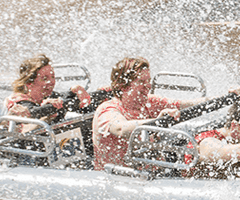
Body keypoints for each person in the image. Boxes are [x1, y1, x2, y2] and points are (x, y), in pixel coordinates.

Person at [92, 57, 229, 170]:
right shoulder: (107, 110)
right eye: (141, 82)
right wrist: (157, 121)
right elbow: (121, 128)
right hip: (119, 177)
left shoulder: (148, 102)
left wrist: (227, 97)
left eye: (148, 81)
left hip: (153, 169)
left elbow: (190, 103)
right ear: (122, 85)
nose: (148, 86)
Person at [5, 54, 87, 125]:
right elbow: (31, 117)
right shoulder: (20, 102)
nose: (51, 82)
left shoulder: (44, 95)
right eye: (44, 78)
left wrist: (74, 90)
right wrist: (48, 108)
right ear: (29, 82)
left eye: (52, 77)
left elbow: (62, 97)